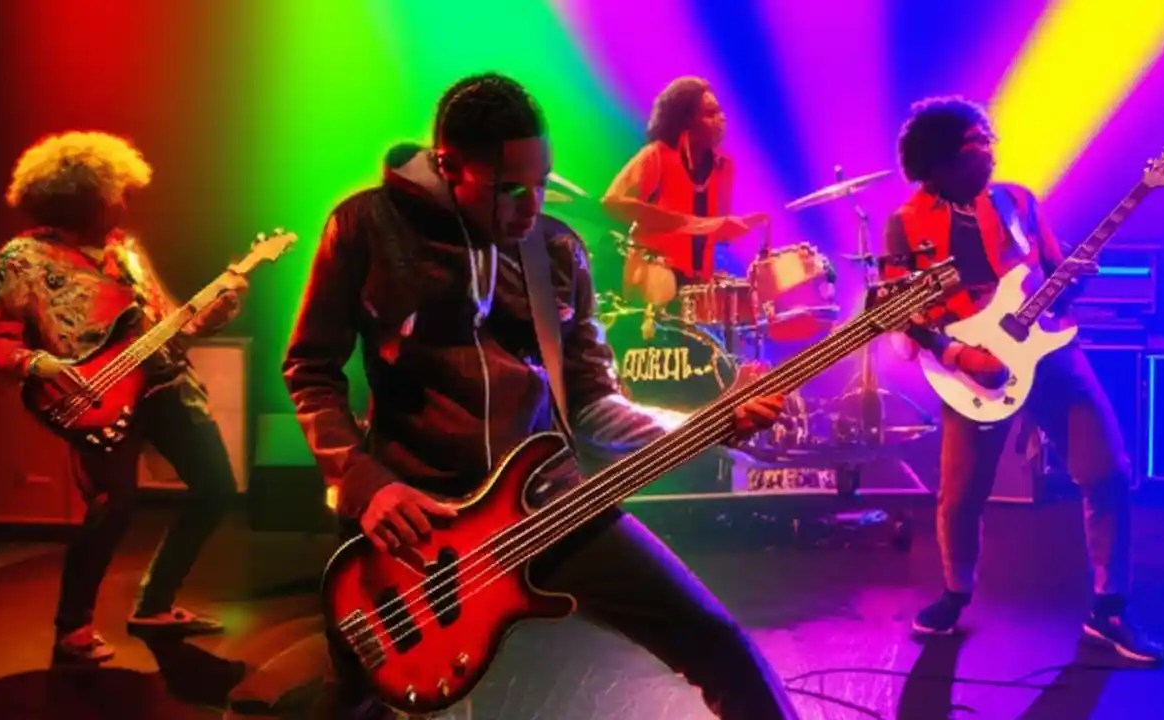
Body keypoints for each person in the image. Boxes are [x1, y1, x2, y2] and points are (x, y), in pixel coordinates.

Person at [283, 73, 798, 719]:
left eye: (544, 182)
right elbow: (310, 368)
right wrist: (364, 481)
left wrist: (698, 423)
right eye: (511, 189)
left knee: (719, 644)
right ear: (450, 166)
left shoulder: (555, 249)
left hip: (545, 502)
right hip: (418, 514)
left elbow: (591, 401)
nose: (532, 205)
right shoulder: (366, 226)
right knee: (363, 702)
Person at [881, 97, 1163, 664]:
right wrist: (959, 354)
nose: (989, 149)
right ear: (936, 160)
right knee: (960, 498)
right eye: (973, 143)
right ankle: (955, 593)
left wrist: (1075, 280)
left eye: (989, 138)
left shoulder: (1017, 201)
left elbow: (1054, 274)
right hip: (973, 369)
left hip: (1051, 352)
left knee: (1108, 471)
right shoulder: (904, 224)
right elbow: (899, 309)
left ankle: (1109, 610)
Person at [0, 131, 246, 662]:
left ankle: (155, 602)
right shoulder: (22, 260)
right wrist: (39, 363)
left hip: (167, 384)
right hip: (94, 399)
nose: (125, 201)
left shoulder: (125, 249)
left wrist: (211, 316)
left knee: (215, 487)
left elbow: (168, 321)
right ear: (80, 196)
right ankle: (72, 626)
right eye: (115, 192)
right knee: (112, 508)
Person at [602, 75, 768, 287]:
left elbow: (714, 231)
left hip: (697, 288)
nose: (722, 118)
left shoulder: (724, 166)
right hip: (652, 280)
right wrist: (692, 224)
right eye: (710, 113)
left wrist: (737, 227)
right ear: (685, 121)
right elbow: (612, 203)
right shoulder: (656, 156)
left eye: (720, 111)